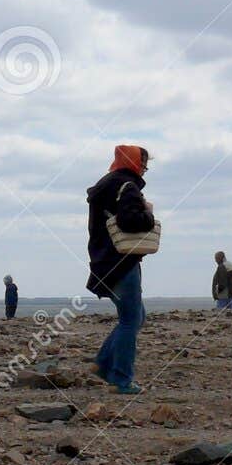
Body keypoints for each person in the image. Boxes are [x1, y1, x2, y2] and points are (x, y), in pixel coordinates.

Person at [86, 144, 155, 395]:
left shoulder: (105, 185)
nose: (145, 170)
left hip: (102, 260)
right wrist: (147, 213)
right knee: (130, 320)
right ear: (135, 163)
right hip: (122, 260)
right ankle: (121, 378)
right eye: (144, 164)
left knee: (136, 316)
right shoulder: (128, 187)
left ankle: (104, 364)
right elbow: (129, 221)